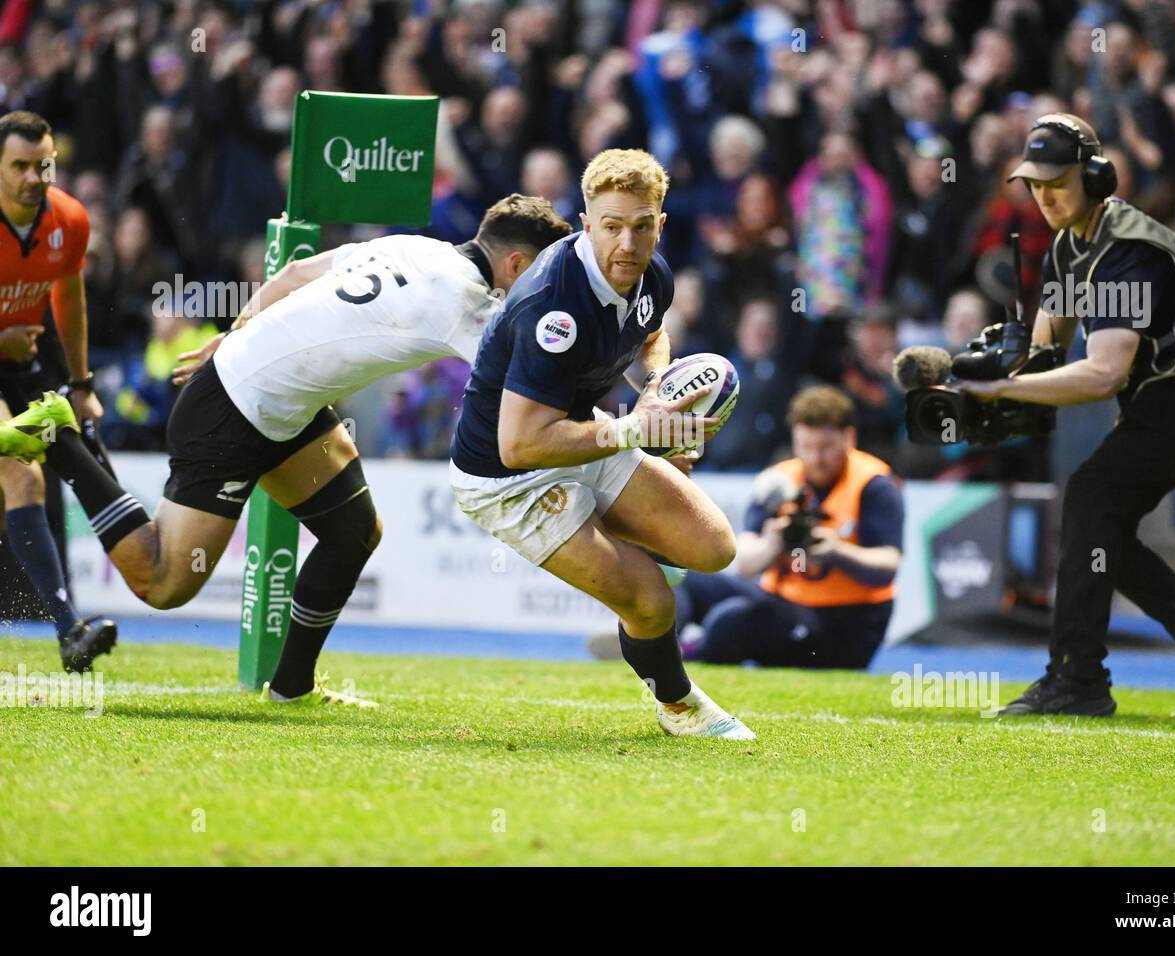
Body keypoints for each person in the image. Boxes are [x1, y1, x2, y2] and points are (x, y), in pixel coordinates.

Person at [0, 195, 573, 703]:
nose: (538, 295)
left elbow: (297, 270)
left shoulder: (413, 246)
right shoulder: (473, 302)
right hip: (229, 413)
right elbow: (531, 393)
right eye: (538, 278)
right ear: (517, 265)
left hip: (277, 402)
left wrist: (238, 332)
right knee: (162, 583)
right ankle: (62, 438)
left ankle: (291, 688)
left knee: (354, 533)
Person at [959, 113, 1175, 717]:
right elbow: (1045, 350)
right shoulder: (1066, 246)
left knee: (1090, 498)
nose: (1044, 195)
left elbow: (1103, 375)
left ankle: (1077, 680)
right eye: (1034, 183)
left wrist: (1004, 391)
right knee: (1097, 522)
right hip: (1173, 385)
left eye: (1057, 181)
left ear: (1096, 178)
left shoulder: (1125, 252)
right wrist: (976, 373)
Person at [448, 148, 755, 740]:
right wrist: (638, 430)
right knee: (652, 603)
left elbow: (650, 334)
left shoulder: (653, 274)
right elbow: (520, 446)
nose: (627, 244)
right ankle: (679, 705)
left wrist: (657, 394)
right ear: (586, 224)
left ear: (660, 224)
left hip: (585, 431)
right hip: (506, 479)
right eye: (611, 227)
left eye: (642, 227)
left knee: (713, 547)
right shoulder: (552, 306)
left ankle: (627, 567)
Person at [674, 386, 902, 669]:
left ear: (849, 438)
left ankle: (687, 658)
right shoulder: (778, 481)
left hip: (846, 620)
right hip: (782, 601)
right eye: (806, 447)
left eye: (826, 448)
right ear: (794, 440)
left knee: (732, 620)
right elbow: (744, 563)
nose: (816, 458)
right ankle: (656, 648)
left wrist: (838, 552)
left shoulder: (874, 484)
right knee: (682, 579)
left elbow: (889, 563)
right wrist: (773, 544)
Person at [0, 110, 115, 672]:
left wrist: (81, 383)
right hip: (8, 349)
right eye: (18, 165)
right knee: (22, 471)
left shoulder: (68, 218)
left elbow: (69, 297)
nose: (31, 177)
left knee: (41, 474)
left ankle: (70, 631)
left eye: (41, 164)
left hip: (25, 362)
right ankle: (69, 630)